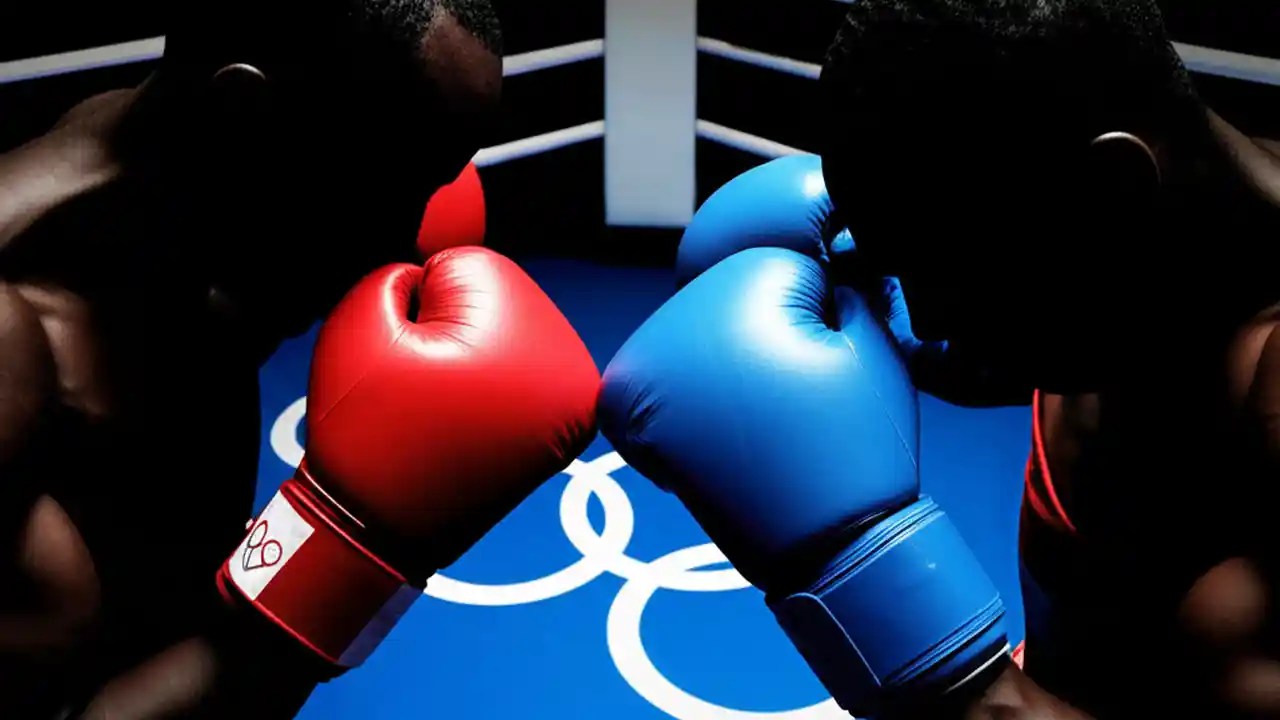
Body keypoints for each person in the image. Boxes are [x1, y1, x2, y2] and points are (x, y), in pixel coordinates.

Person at [0, 0, 501, 716]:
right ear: (239, 115)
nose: (408, 243)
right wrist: (350, 555)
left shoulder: (190, 209)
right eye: (386, 188)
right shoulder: (15, 351)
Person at [816, 0, 1280, 716]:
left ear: (1112, 192)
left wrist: (945, 673)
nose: (930, 315)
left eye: (949, 268)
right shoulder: (1151, 267)